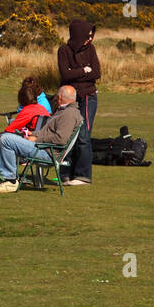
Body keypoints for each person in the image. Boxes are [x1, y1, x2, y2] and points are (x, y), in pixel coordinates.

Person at [0, 86, 83, 192]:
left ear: (59, 98)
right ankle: (8, 177)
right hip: (44, 148)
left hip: (47, 153)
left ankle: (10, 180)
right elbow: (47, 133)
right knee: (8, 138)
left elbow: (60, 139)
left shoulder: (69, 114)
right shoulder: (67, 111)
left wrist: (36, 139)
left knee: (5, 139)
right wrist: (32, 133)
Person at [57, 19, 100, 186]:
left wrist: (74, 73)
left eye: (91, 36)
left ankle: (82, 175)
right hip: (70, 98)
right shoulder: (64, 50)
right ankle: (66, 173)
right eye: (87, 36)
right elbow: (65, 75)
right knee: (67, 133)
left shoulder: (91, 49)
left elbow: (96, 72)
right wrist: (83, 70)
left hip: (89, 96)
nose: (89, 39)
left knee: (83, 135)